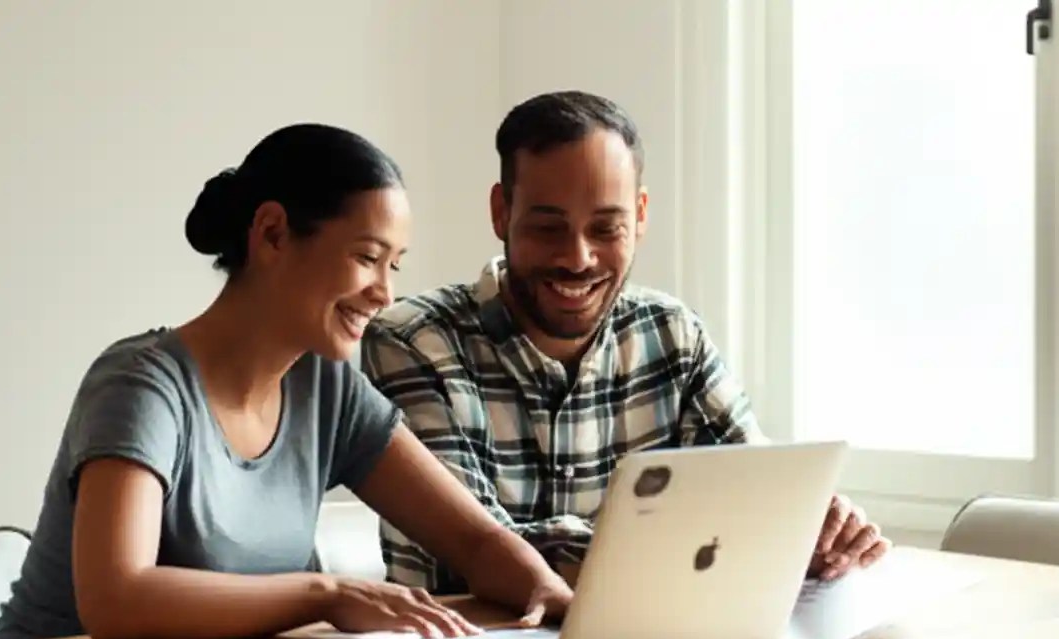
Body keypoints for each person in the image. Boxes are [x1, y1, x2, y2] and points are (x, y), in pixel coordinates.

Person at [0, 124, 571, 639]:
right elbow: (116, 600)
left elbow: (475, 543)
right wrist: (323, 595)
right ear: (271, 233)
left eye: (394, 266)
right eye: (367, 257)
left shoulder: (329, 390)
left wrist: (550, 594)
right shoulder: (141, 386)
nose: (385, 293)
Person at [361, 91, 891, 594]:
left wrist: (814, 530)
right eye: (549, 228)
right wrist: (721, 543)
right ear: (502, 212)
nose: (578, 258)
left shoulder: (671, 335)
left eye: (606, 228)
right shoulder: (411, 342)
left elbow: (760, 494)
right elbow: (477, 553)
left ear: (639, 216)